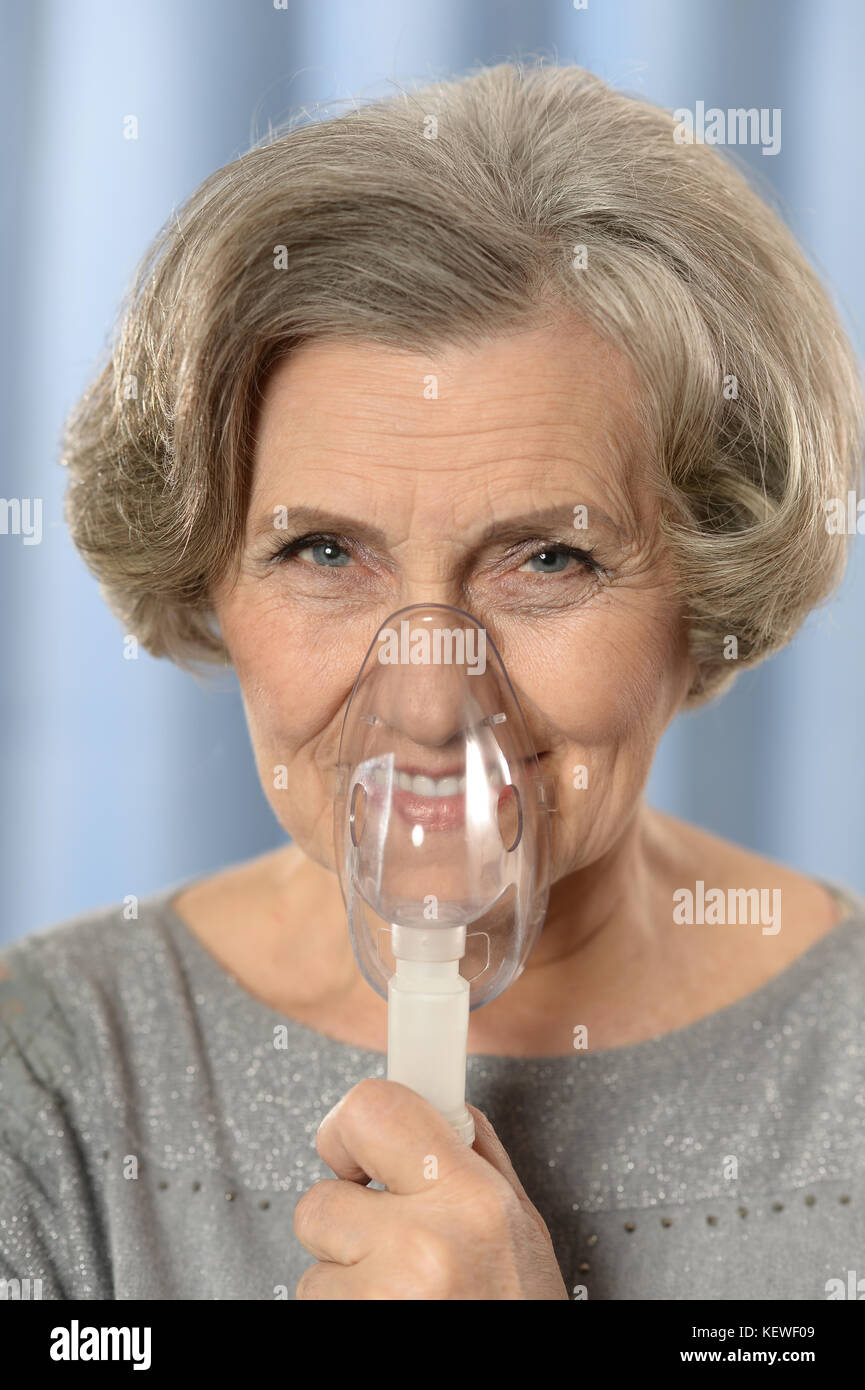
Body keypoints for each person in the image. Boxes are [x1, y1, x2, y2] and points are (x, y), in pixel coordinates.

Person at [2, 60, 863, 1301]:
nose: (423, 702)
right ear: (206, 575)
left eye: (549, 559)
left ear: (713, 584)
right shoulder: (48, 1078)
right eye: (324, 551)